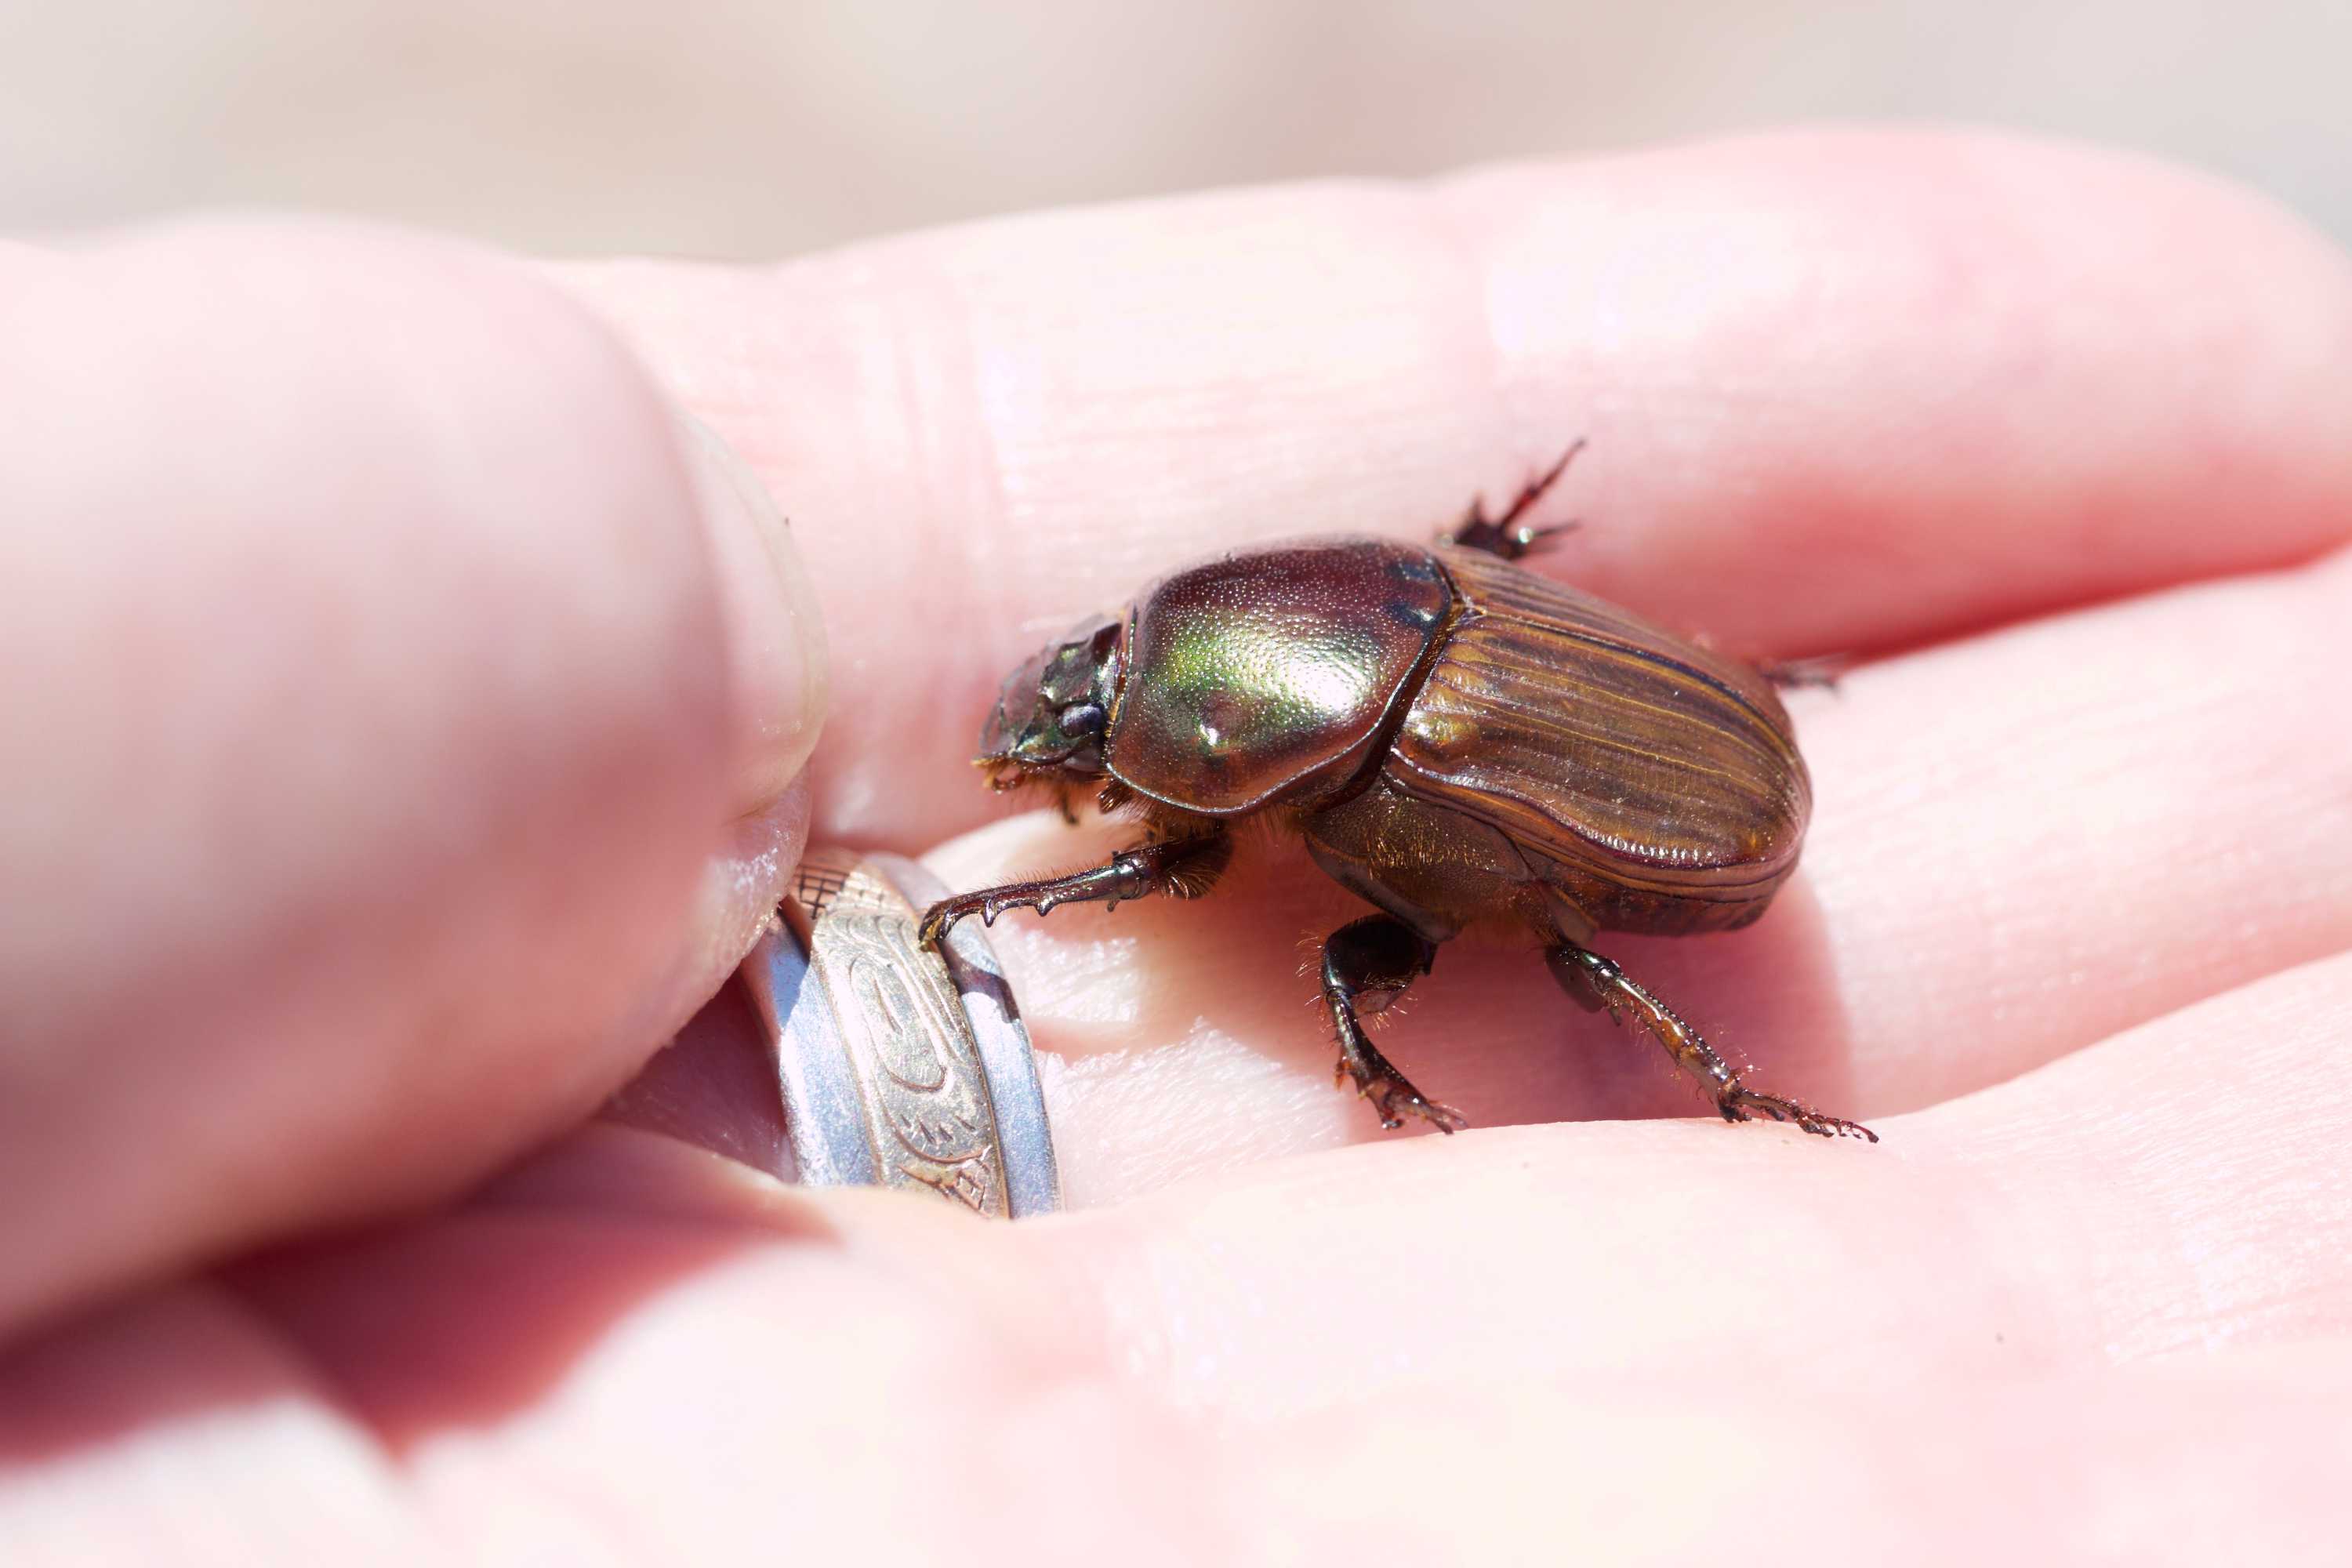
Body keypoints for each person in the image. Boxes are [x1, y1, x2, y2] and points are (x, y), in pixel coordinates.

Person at [3, 129, 2348, 1559]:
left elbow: (1164, 860)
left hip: (1684, 804)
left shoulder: (1359, 743)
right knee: (1385, 962)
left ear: (1254, 689)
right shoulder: (1379, 612)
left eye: (1127, 713)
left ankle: (1720, 1083)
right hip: (1639, 702)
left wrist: (1008, 905)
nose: (1098, 741)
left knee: (1450, 965)